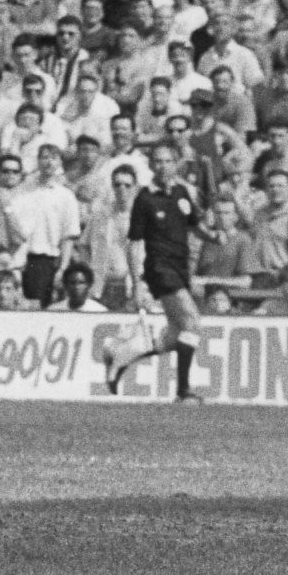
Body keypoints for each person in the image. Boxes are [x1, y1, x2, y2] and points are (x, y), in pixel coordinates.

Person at [105, 142, 204, 403]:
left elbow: (195, 224)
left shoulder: (181, 192)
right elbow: (134, 243)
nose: (162, 166)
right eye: (157, 161)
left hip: (181, 268)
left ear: (176, 164)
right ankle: (183, 392)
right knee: (192, 321)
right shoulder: (145, 199)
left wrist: (215, 235)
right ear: (151, 166)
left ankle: (123, 353)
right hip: (160, 269)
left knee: (175, 335)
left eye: (167, 161)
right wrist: (138, 283)